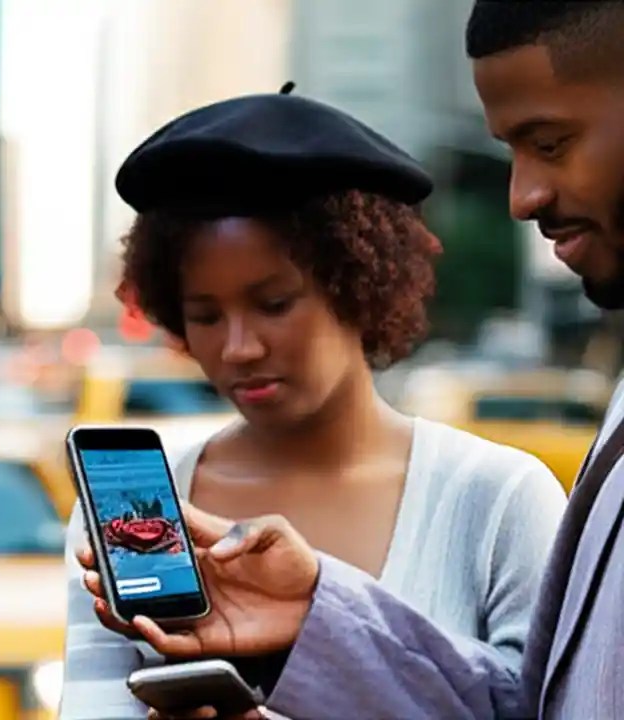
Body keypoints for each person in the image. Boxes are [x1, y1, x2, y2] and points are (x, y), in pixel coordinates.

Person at [78, 2, 624, 718]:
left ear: (359, 285)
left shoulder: (497, 496)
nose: (239, 346)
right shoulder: (140, 511)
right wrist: (319, 618)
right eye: (204, 315)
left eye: (275, 303)